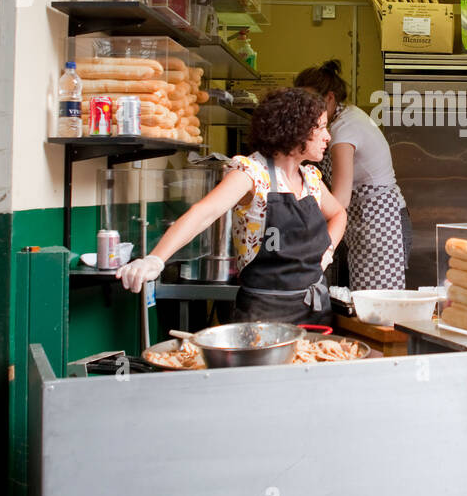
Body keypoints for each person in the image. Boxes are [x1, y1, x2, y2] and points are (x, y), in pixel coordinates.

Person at [117, 87, 347, 323]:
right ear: (294, 128)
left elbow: (338, 213)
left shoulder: (310, 178)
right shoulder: (252, 173)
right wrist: (156, 259)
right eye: (320, 127)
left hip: (316, 311)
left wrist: (328, 250)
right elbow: (204, 213)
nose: (327, 136)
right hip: (264, 316)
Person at [294, 58, 411, 290]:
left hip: (381, 222)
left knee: (378, 304)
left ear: (329, 97)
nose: (305, 109)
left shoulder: (344, 129)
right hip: (365, 219)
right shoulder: (340, 118)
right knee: (363, 300)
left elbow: (341, 200)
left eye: (310, 101)